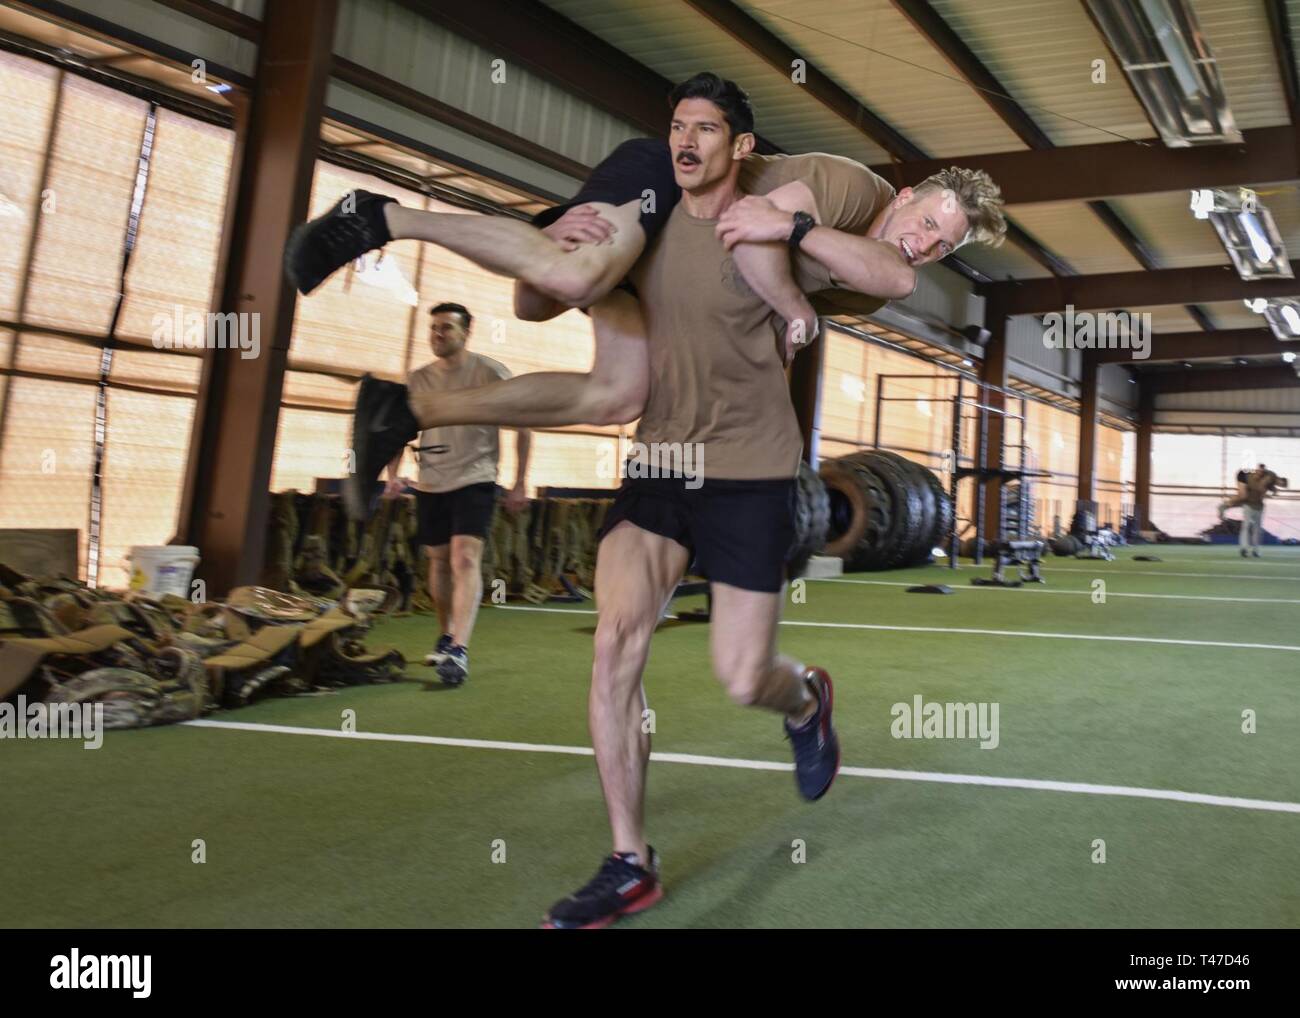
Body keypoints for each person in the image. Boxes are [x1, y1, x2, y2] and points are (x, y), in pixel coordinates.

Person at [526, 75, 1004, 929]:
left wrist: (802, 243)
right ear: (902, 194)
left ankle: (807, 699)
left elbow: (890, 279)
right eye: (927, 217)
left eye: (943, 239)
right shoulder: (843, 183)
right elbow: (751, 227)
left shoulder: (873, 261)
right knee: (615, 643)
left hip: (750, 456)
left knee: (744, 677)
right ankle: (629, 860)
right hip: (669, 445)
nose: (927, 242)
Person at [386, 302, 530, 685]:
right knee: (437, 561)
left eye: (447, 328)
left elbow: (523, 426)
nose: (438, 334)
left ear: (466, 333)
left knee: (465, 557)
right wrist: (392, 475)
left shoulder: (490, 372)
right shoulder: (417, 379)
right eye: (434, 328)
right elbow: (399, 431)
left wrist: (519, 482)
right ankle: (447, 632)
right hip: (430, 481)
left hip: (476, 477)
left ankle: (459, 649)